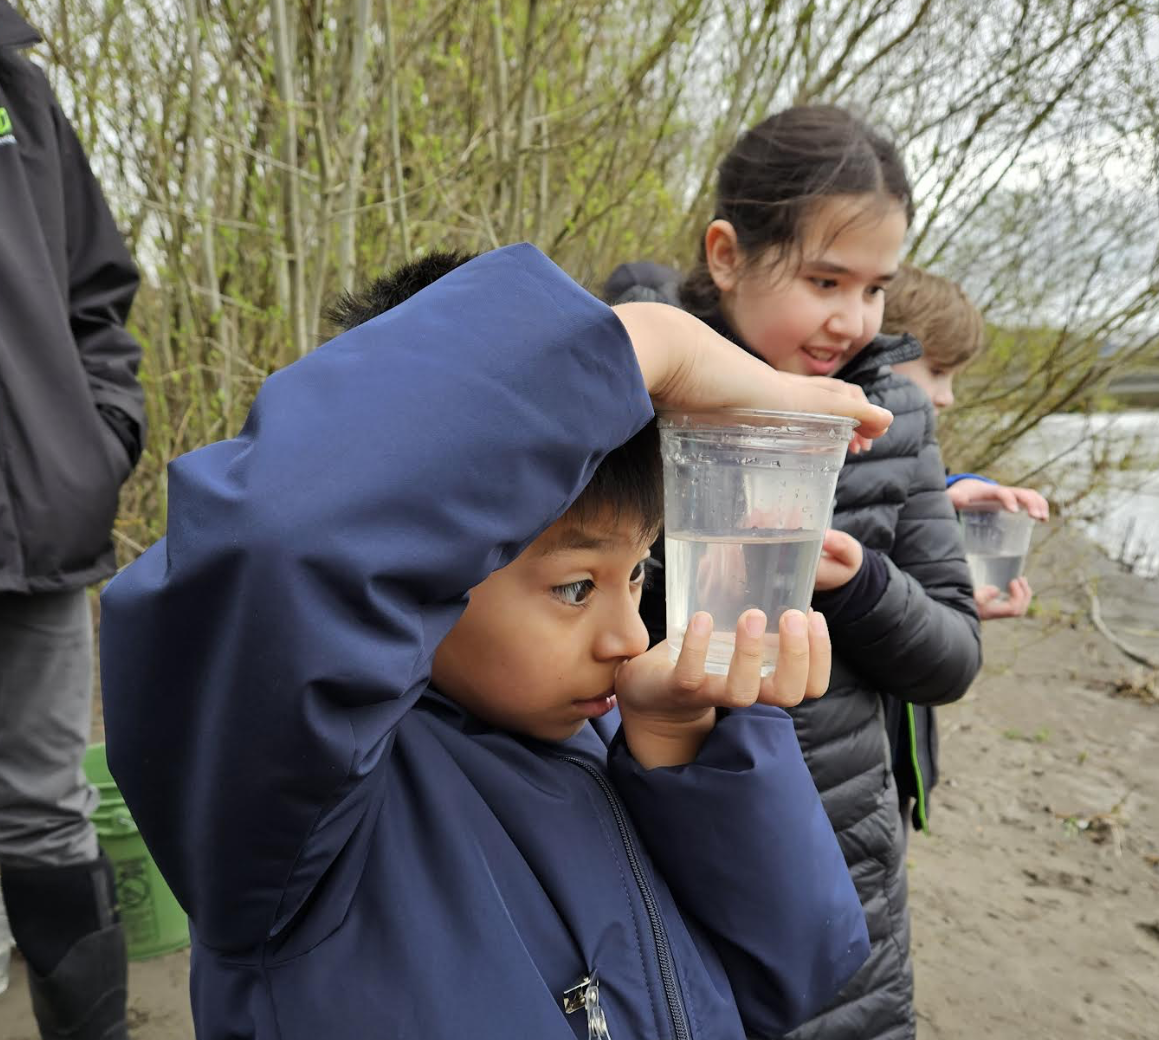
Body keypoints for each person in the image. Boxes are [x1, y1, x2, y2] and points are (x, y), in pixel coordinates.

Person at [100, 244, 894, 1039]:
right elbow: (280, 542)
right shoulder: (293, 805)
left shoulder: (610, 738)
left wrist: (681, 748)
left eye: (639, 572)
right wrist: (650, 344)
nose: (627, 635)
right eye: (575, 586)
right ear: (434, 559)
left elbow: (793, 973)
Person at [605, 104, 983, 1040]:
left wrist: (857, 582)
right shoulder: (625, 403)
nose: (851, 318)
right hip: (655, 830)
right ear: (727, 254)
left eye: (875, 288)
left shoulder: (892, 419)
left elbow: (953, 656)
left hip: (840, 851)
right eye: (825, 279)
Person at [0, 4, 145, 1037]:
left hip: (37, 526)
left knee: (50, 822)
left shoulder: (18, 90)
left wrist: (96, 445)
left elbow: (97, 292)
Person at [881, 263, 1050, 832]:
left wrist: (952, 493)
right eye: (938, 372)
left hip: (892, 767)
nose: (948, 397)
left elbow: (897, 499)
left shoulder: (907, 459)